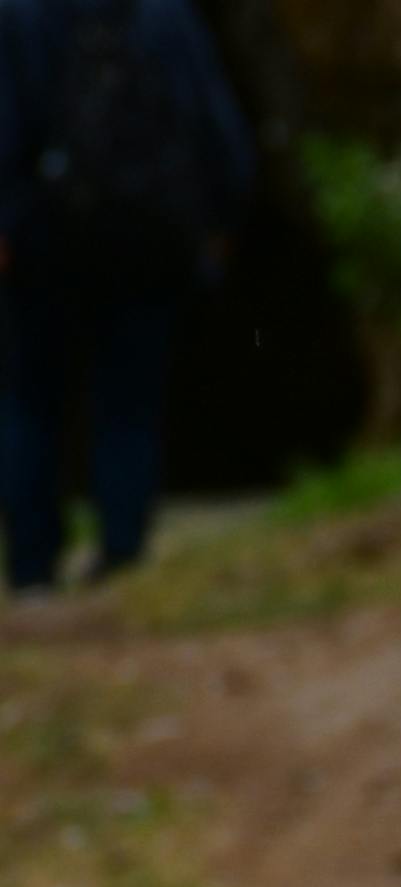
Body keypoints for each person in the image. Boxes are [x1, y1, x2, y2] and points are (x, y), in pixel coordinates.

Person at [0, 0, 252, 595]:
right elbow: (216, 124)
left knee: (28, 404)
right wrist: (220, 220)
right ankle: (123, 554)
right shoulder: (164, 15)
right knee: (129, 405)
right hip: (146, 237)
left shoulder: (20, 16)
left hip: (39, 238)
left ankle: (33, 567)